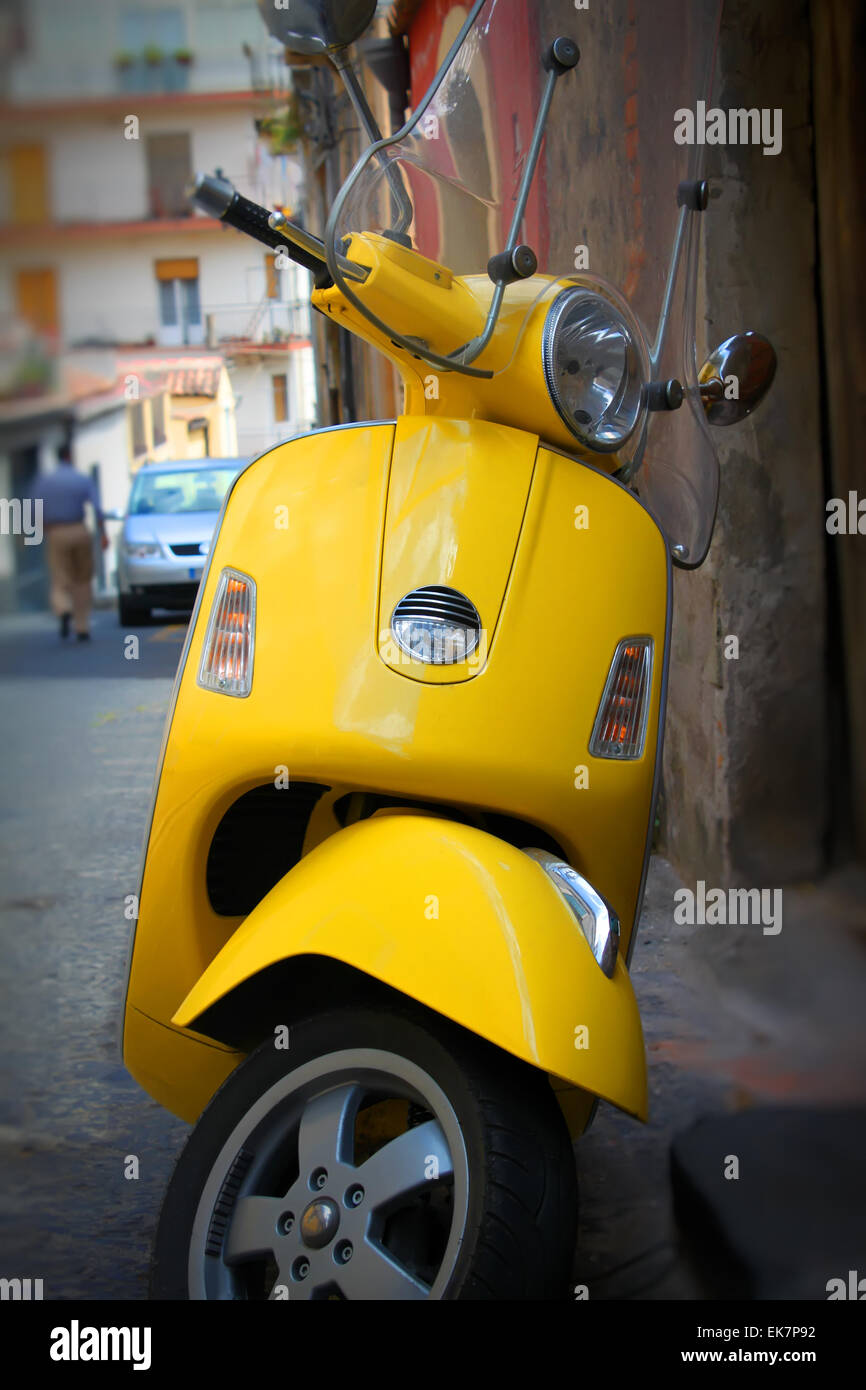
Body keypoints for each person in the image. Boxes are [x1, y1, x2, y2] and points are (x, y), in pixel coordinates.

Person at [32, 443, 108, 641]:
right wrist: (103, 533)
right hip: (79, 529)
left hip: (56, 532)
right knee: (82, 579)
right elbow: (98, 508)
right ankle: (82, 626)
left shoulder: (45, 482)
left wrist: (41, 529)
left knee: (60, 577)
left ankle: (64, 608)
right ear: (70, 456)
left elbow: (33, 508)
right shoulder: (82, 479)